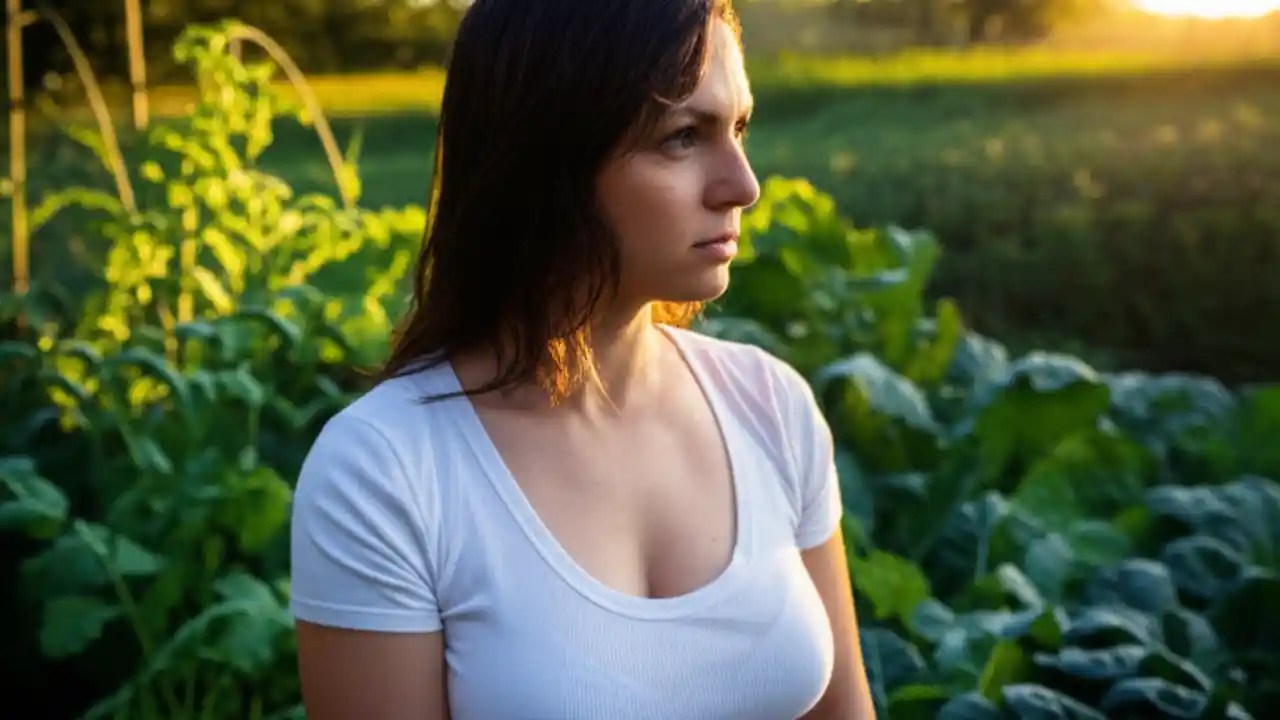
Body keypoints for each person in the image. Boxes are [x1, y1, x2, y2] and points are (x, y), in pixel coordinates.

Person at [288, 0, 875, 717]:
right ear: (546, 158)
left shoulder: (770, 407)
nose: (743, 186)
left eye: (740, 127)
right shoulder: (385, 472)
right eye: (683, 137)